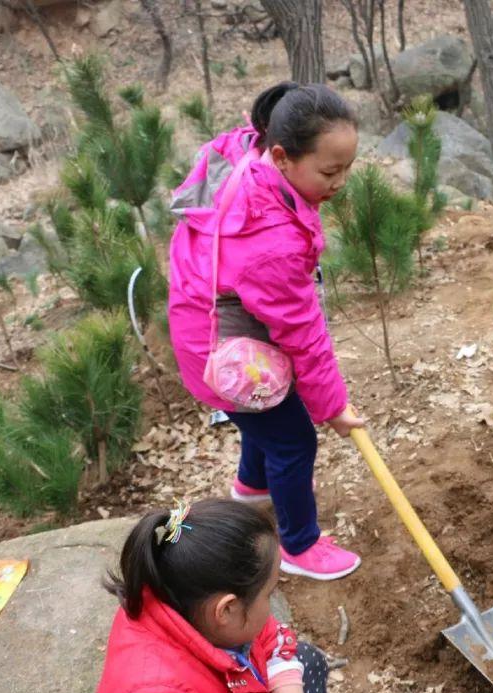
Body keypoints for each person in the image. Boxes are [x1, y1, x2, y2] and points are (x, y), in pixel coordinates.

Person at [168, 82, 364, 581]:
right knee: (294, 439)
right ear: (281, 155)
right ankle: (299, 544)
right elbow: (302, 332)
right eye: (328, 170)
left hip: (209, 316)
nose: (340, 182)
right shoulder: (269, 237)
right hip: (221, 349)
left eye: (347, 167)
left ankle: (253, 487)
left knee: (270, 412)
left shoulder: (252, 154)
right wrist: (334, 407)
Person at [92, 499, 329, 693]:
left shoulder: (184, 597)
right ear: (226, 610)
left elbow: (268, 638)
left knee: (309, 663)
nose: (271, 607)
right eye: (269, 594)